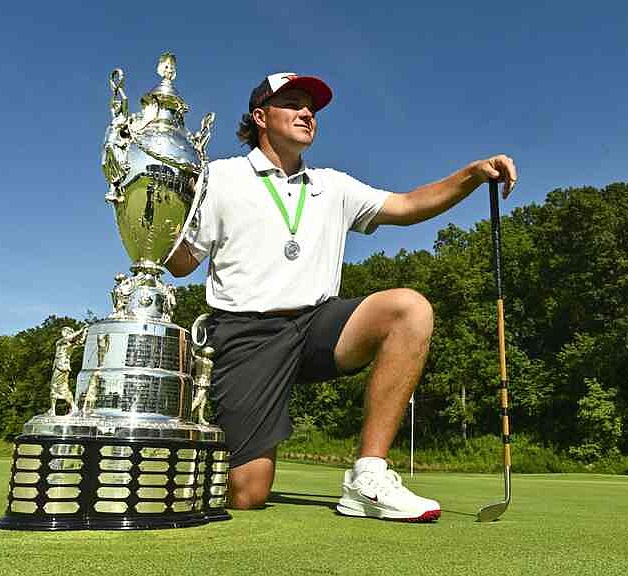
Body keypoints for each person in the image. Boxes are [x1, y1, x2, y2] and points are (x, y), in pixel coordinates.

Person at [165, 72, 516, 522]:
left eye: (310, 107)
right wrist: (147, 217)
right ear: (261, 117)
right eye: (292, 103)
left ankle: (367, 476)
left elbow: (408, 206)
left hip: (317, 325)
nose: (306, 113)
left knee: (408, 308)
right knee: (247, 492)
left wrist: (470, 175)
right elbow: (180, 264)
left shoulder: (334, 185)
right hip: (244, 333)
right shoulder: (220, 176)